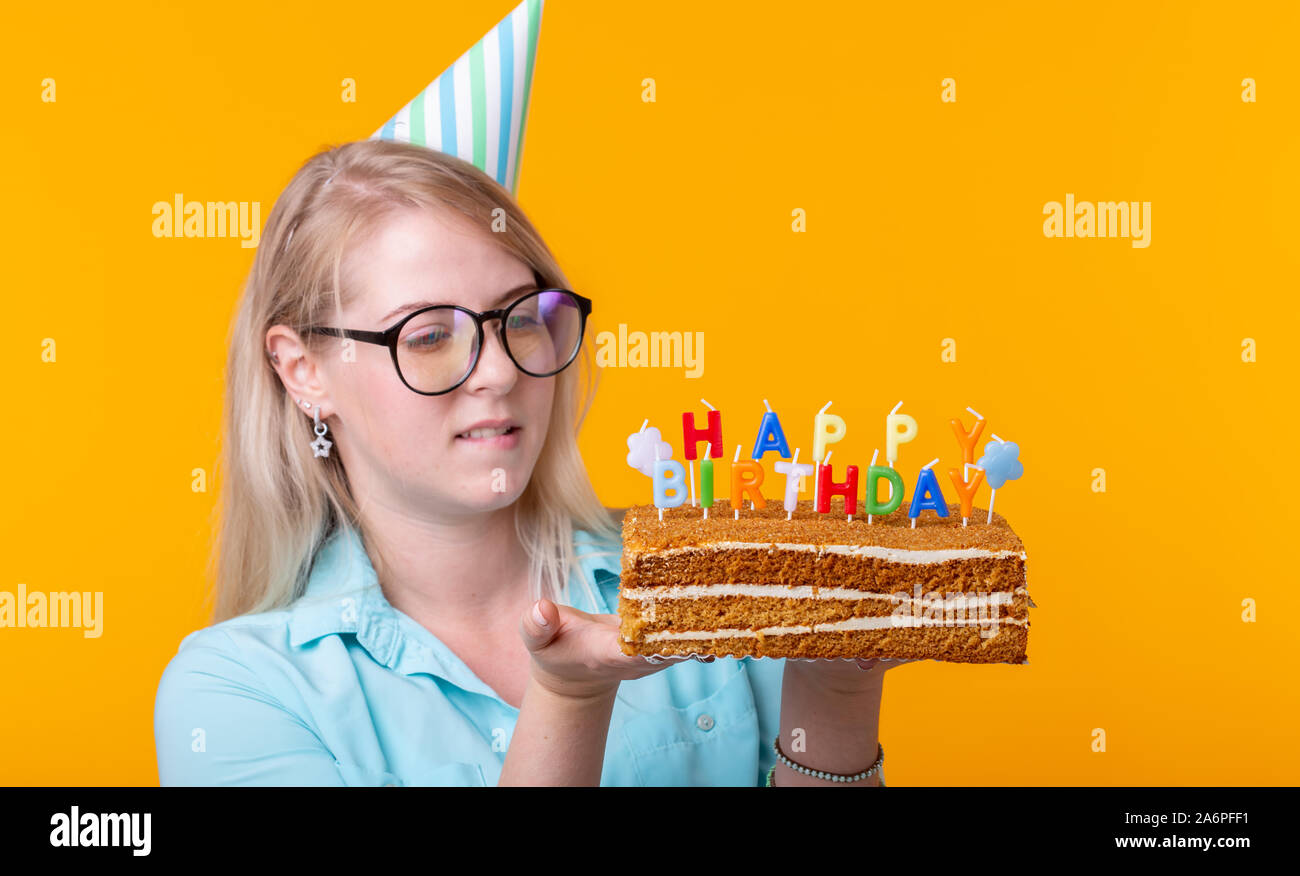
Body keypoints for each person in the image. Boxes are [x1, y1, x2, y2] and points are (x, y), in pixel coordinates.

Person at [153, 138, 909, 786]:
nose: (499, 372)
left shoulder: (706, 582)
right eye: (427, 335)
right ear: (302, 371)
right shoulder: (239, 693)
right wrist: (570, 699)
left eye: (519, 318)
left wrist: (836, 692)